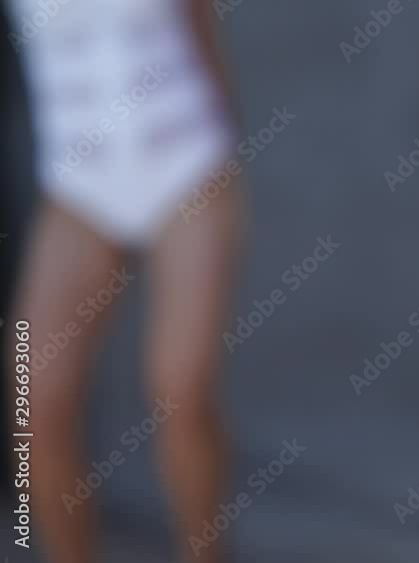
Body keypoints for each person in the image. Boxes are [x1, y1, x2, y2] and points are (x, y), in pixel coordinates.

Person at [6, 0, 242, 561]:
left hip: (187, 165)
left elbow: (202, 24)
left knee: (181, 394)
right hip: (77, 185)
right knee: (31, 401)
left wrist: (230, 153)